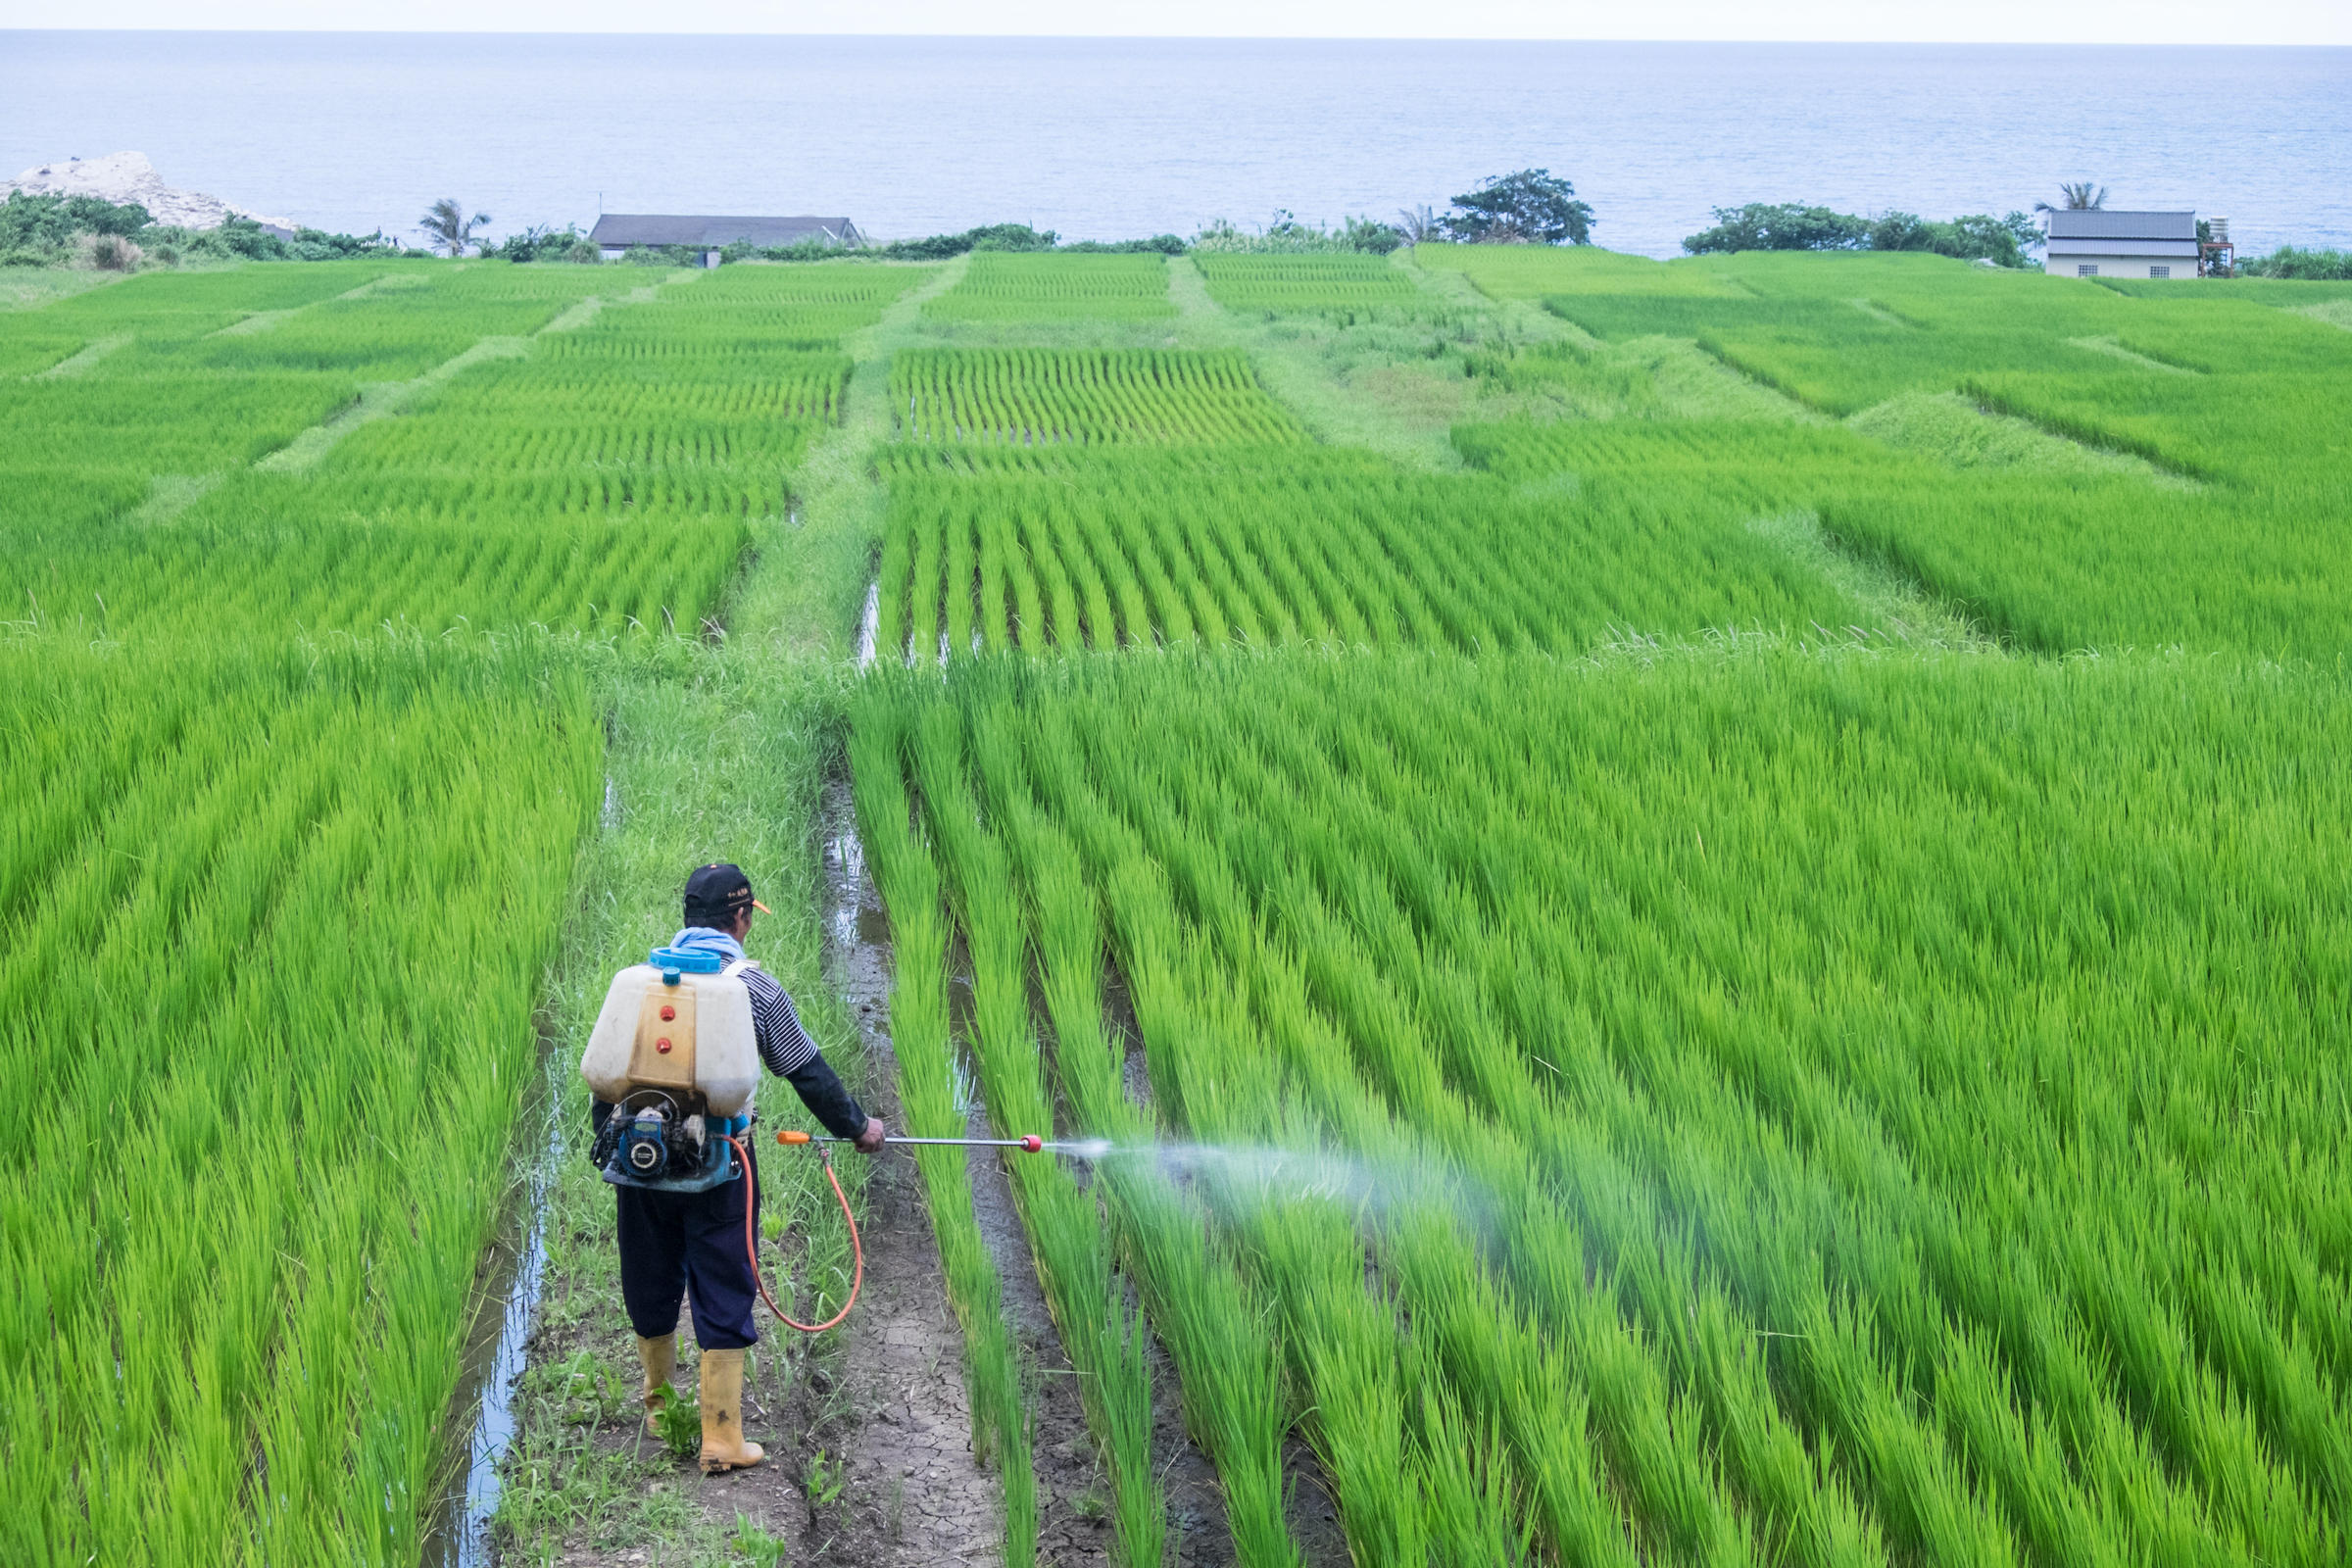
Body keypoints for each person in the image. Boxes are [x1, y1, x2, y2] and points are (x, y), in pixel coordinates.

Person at [595, 861, 885, 1474]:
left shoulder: (640, 981)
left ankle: (659, 1407)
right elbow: (803, 1068)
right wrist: (858, 1128)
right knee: (724, 1274)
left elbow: (603, 1081)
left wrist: (611, 1145)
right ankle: (721, 1438)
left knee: (648, 1270)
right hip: (724, 1160)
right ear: (742, 918)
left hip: (639, 1157)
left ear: (687, 918)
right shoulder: (753, 987)